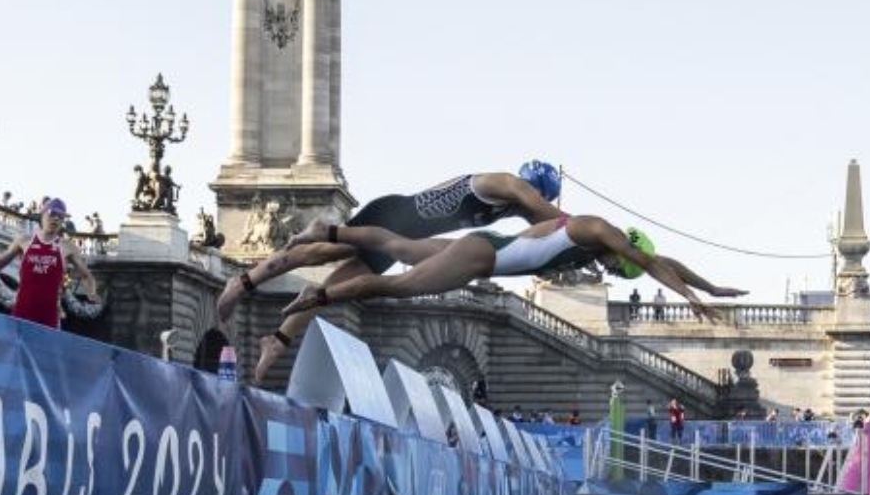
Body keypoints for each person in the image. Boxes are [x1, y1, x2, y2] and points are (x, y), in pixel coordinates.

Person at [217, 161, 567, 383]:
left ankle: (276, 341)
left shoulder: (508, 208)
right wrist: (590, 233)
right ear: (537, 188)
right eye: (540, 196)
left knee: (337, 287)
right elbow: (551, 218)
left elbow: (543, 233)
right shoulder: (506, 183)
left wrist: (581, 253)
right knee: (322, 251)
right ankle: (244, 280)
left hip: (401, 237)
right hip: (393, 216)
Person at [277, 214, 744, 326]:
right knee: (396, 286)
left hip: (487, 246)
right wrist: (691, 298)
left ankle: (327, 232)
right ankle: (315, 297)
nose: (607, 270)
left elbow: (663, 261)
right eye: (615, 267)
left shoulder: (597, 239)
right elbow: (650, 263)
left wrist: (713, 287)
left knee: (400, 244)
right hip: (482, 259)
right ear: (619, 250)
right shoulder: (595, 230)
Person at [0, 197, 98, 328]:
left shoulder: (67, 247)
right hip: (22, 312)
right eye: (52, 214)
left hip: (48, 317)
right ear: (43, 215)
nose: (56, 219)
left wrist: (91, 292)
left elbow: (87, 276)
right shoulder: (24, 241)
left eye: (61, 217)